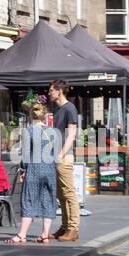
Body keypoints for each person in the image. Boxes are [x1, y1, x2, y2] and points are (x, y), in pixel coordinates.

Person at [6, 103, 59, 244]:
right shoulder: (52, 132)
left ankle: (22, 235)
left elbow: (26, 154)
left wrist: (23, 169)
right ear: (44, 116)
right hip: (50, 170)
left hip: (34, 169)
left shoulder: (29, 131)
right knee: (48, 200)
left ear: (31, 116)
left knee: (28, 199)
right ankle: (44, 235)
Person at [49, 80, 81, 242]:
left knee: (69, 193)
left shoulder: (70, 108)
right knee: (61, 194)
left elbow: (71, 134)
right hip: (57, 155)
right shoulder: (58, 109)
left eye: (52, 90)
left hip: (64, 156)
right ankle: (64, 227)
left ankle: (73, 229)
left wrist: (61, 153)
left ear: (59, 91)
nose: (50, 93)